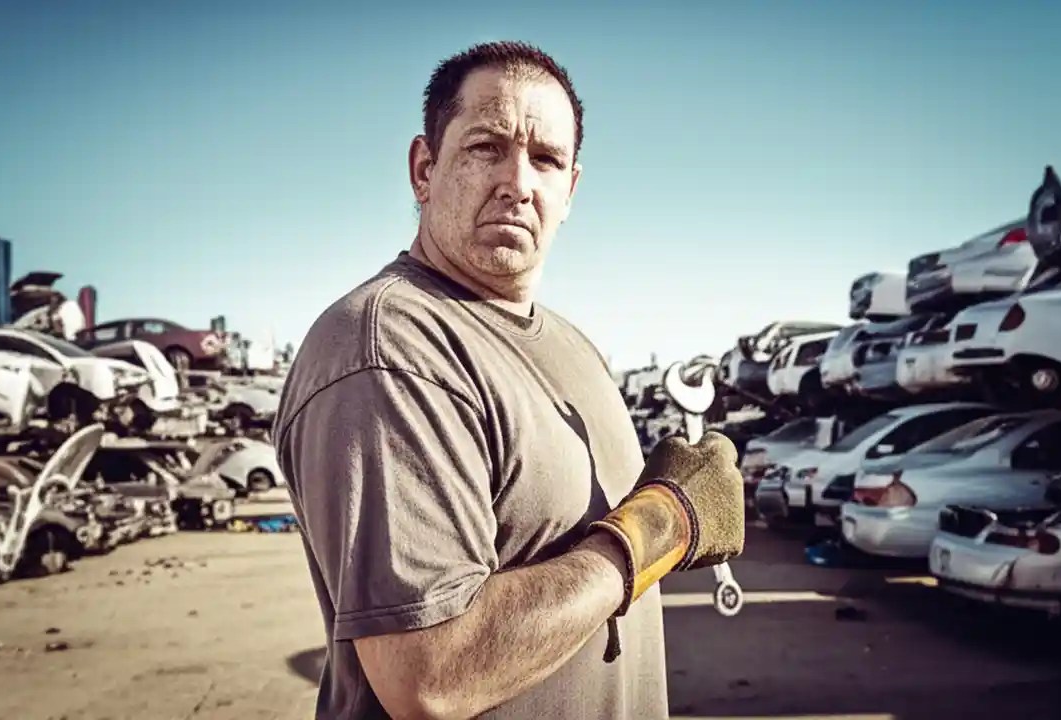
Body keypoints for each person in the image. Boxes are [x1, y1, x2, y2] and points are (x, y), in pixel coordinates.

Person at [273, 40, 746, 720]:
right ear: (424, 169)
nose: (518, 182)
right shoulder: (387, 345)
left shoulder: (573, 344)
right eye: (486, 147)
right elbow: (432, 674)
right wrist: (664, 523)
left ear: (571, 190)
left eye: (546, 159)